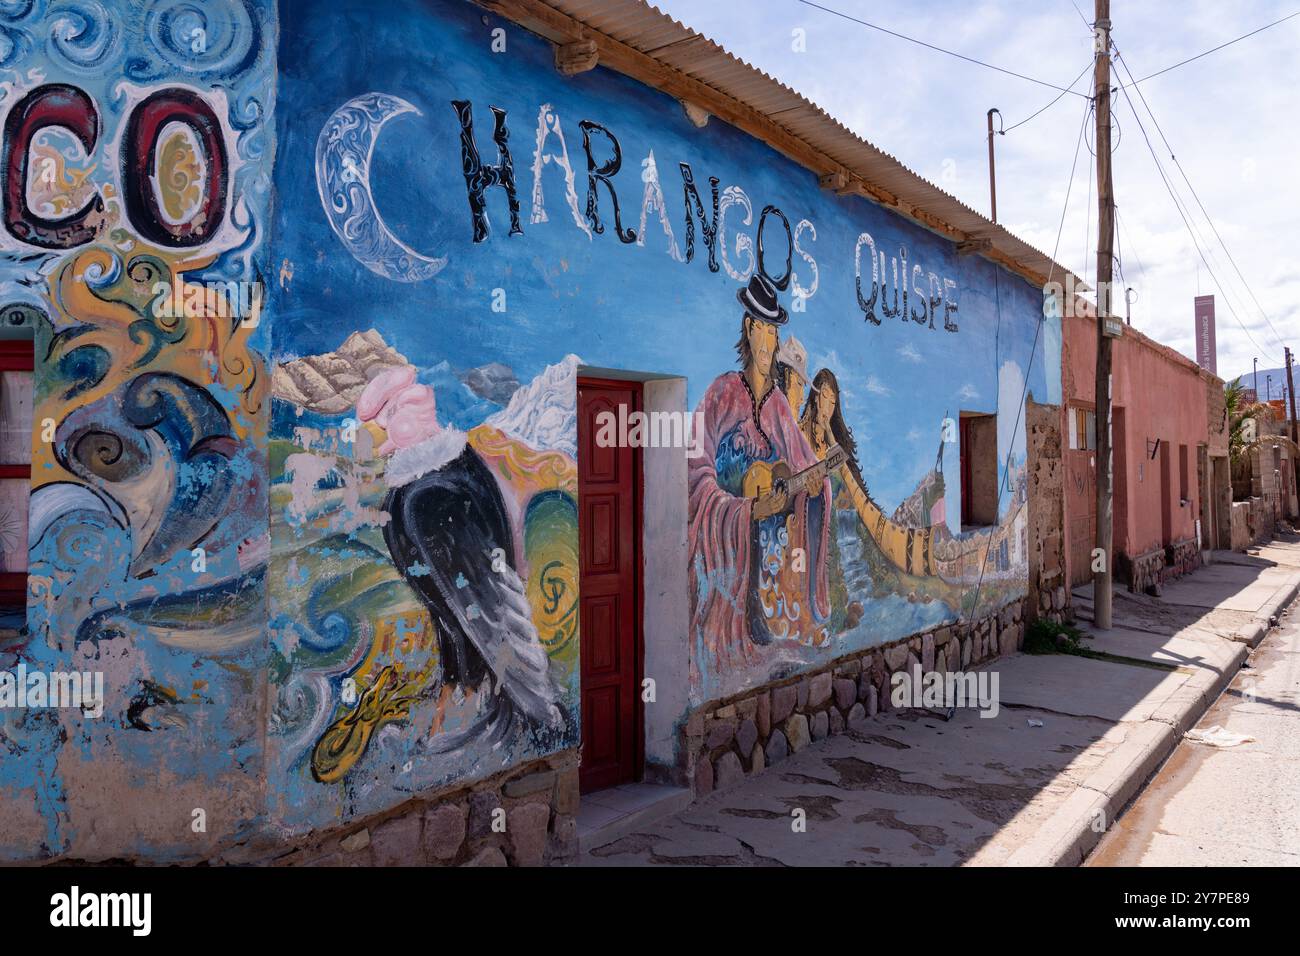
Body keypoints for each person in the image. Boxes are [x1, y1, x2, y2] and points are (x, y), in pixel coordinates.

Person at [688, 274, 832, 681]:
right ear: (750, 331)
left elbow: (808, 470)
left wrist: (809, 486)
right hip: (732, 545)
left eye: (775, 331)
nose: (770, 343)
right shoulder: (721, 393)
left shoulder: (778, 406)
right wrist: (743, 509)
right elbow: (695, 474)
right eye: (764, 330)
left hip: (770, 555)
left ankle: (778, 623)